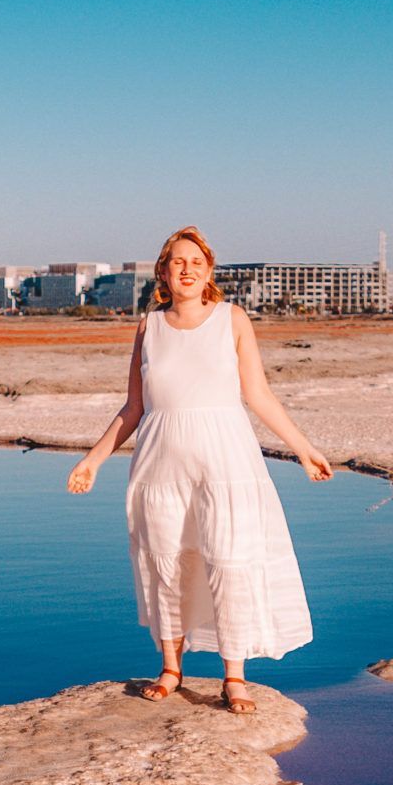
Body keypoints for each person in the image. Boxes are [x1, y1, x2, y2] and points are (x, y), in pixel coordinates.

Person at [67, 225, 332, 711]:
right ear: (163, 272)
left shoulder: (232, 319)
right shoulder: (149, 326)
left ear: (209, 270)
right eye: (177, 261)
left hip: (225, 460)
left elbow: (258, 395)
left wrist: (303, 448)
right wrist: (94, 459)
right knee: (166, 564)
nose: (186, 269)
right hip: (160, 463)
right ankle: (171, 668)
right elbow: (133, 407)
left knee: (228, 561)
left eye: (196, 261)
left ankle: (235, 677)